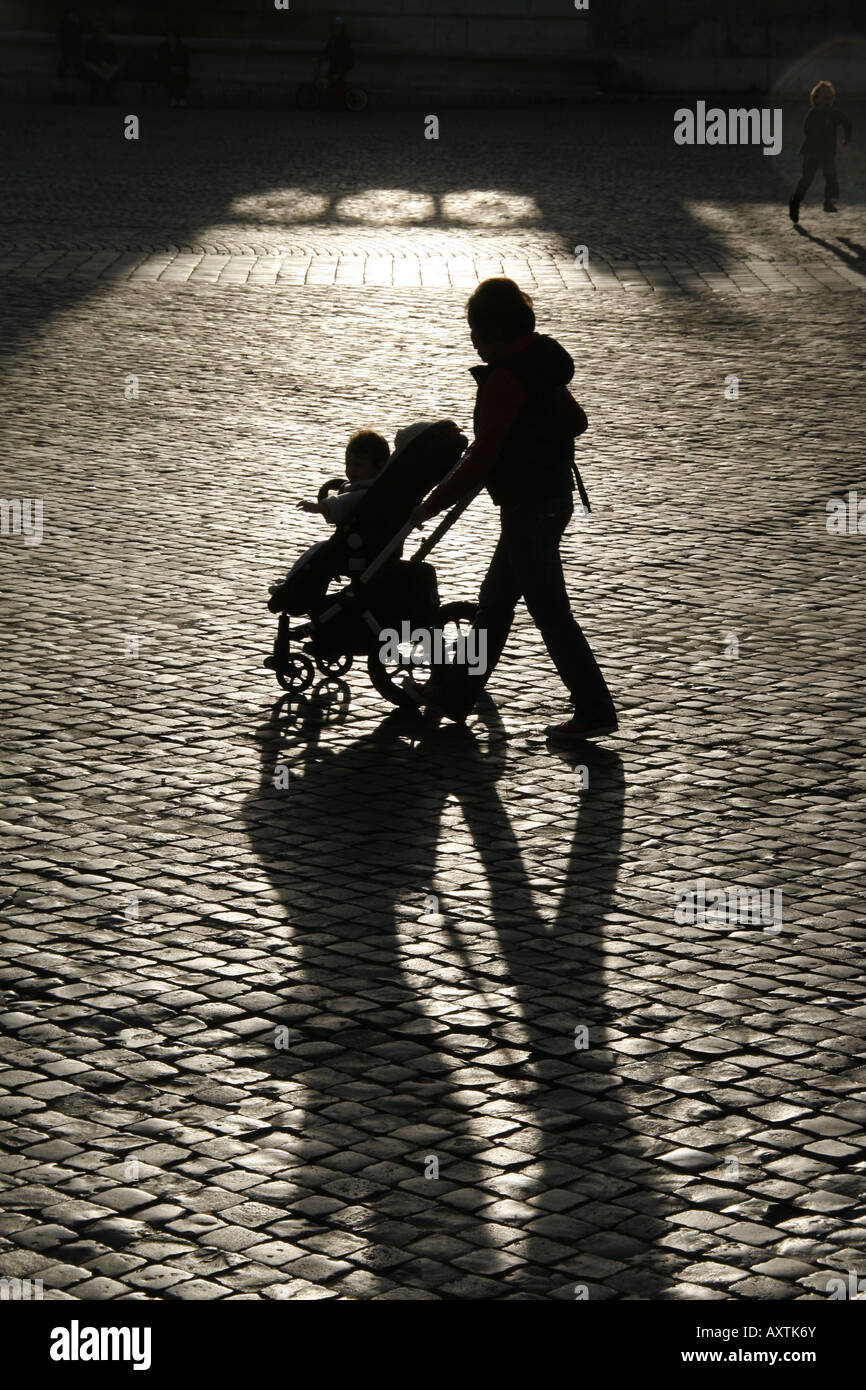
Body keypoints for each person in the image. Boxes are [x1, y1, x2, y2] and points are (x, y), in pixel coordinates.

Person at [409, 277, 617, 745]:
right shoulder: (539, 365)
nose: (471, 340)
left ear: (490, 331)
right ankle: (454, 694)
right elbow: (575, 421)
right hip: (550, 499)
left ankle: (594, 708)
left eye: (473, 330)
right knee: (495, 603)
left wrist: (431, 502)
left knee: (549, 612)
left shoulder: (506, 377)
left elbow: (483, 454)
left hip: (529, 507)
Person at [789, 80, 852, 222]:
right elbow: (806, 130)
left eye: (830, 98)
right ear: (816, 99)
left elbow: (847, 123)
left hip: (827, 152)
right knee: (807, 179)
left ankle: (828, 202)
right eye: (825, 98)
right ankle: (795, 202)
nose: (828, 102)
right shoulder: (813, 113)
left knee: (831, 177)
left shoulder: (834, 114)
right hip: (812, 152)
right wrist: (819, 137)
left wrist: (847, 139)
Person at [80, 23, 123, 105]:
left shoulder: (109, 43)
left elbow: (114, 58)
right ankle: (94, 97)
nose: (102, 34)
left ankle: (108, 95)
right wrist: (100, 64)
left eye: (103, 32)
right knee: (94, 75)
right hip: (94, 67)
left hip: (107, 67)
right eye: (100, 32)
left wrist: (109, 65)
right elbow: (88, 57)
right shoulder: (90, 43)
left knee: (115, 74)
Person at [158, 29, 190, 107]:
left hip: (179, 70)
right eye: (169, 37)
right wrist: (171, 68)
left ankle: (180, 98)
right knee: (171, 77)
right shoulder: (164, 48)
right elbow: (162, 62)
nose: (171, 39)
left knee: (181, 77)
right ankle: (174, 98)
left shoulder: (181, 48)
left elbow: (185, 62)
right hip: (167, 71)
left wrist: (180, 68)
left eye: (172, 37)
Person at [324, 16, 354, 96]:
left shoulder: (345, 39)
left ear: (342, 29)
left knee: (339, 81)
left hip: (344, 63)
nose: (337, 29)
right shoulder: (332, 39)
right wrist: (320, 56)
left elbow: (345, 53)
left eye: (339, 27)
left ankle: (340, 96)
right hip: (335, 62)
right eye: (335, 27)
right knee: (329, 77)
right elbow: (326, 50)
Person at [56, 8, 84, 78]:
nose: (73, 16)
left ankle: (79, 73)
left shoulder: (75, 24)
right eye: (71, 15)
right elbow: (60, 36)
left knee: (76, 62)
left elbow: (80, 33)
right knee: (66, 61)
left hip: (75, 46)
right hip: (67, 46)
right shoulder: (63, 24)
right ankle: (61, 74)